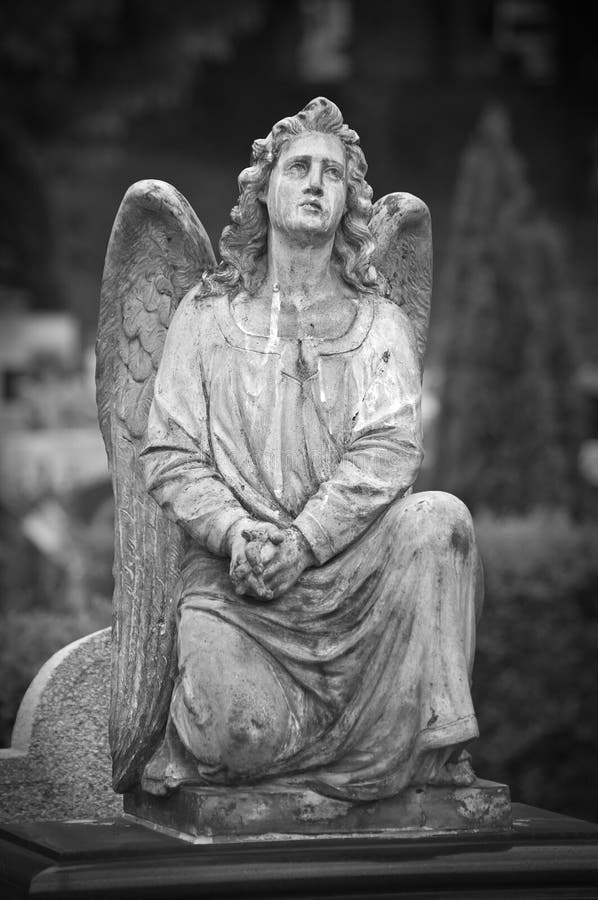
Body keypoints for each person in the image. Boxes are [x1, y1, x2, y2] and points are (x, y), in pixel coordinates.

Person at [139, 97, 483, 801]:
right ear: (264, 190)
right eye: (298, 168)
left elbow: (389, 450)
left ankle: (429, 759)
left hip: (352, 578)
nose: (315, 182)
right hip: (240, 586)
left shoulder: (378, 321)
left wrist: (305, 540)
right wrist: (238, 533)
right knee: (236, 734)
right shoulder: (205, 319)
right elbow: (169, 455)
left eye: (332, 172)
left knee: (438, 520)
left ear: (348, 201)